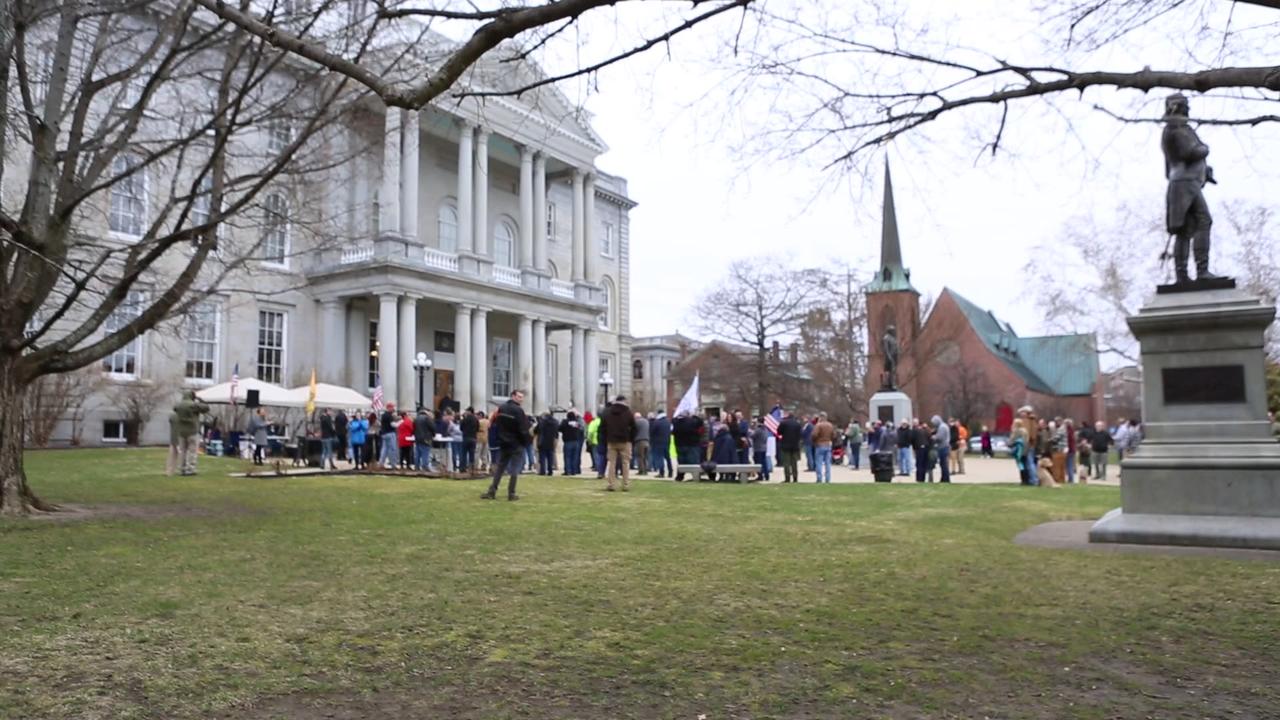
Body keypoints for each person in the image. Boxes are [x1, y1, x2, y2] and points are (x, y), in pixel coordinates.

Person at [482, 389, 531, 501]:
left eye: (522, 397)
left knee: (500, 467)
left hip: (504, 442)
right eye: (519, 397)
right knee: (514, 469)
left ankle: (492, 491)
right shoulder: (519, 411)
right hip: (516, 443)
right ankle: (511, 493)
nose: (521, 399)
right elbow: (523, 429)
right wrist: (526, 441)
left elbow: (495, 423)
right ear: (513, 396)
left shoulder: (501, 408)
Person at [600, 396, 637, 491]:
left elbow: (602, 428)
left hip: (611, 441)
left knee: (612, 463)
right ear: (624, 401)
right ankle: (625, 484)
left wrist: (606, 439)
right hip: (625, 441)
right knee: (626, 463)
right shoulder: (628, 412)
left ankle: (611, 484)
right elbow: (634, 427)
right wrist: (631, 439)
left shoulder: (607, 412)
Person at [171, 390, 209, 476]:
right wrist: (201, 400)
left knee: (183, 451)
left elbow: (175, 408)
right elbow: (206, 408)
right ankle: (190, 469)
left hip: (181, 431)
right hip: (192, 430)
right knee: (192, 451)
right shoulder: (193, 405)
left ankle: (182, 469)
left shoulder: (178, 405)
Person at [672, 411, 705, 482]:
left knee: (681, 462)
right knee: (694, 462)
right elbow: (700, 422)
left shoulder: (676, 423)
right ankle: (696, 476)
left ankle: (680, 476)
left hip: (679, 445)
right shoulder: (692, 422)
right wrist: (695, 416)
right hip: (692, 445)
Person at [776, 411, 803, 483]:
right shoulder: (798, 424)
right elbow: (800, 434)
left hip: (785, 445)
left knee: (786, 463)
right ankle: (795, 478)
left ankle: (787, 478)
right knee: (794, 463)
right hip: (795, 446)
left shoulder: (784, 423)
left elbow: (779, 432)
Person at [810, 412, 834, 483]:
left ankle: (819, 478)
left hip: (820, 444)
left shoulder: (818, 425)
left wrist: (814, 441)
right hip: (828, 444)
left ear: (820, 417)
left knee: (819, 463)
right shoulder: (830, 425)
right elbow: (833, 435)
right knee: (828, 463)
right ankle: (828, 478)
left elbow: (814, 435)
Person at [559, 410, 584, 475]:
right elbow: (580, 429)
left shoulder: (565, 422)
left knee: (567, 457)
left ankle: (568, 471)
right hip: (576, 441)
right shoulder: (576, 423)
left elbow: (560, 428)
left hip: (568, 441)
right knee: (574, 457)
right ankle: (573, 470)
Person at [535, 411, 559, 476]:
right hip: (551, 441)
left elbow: (535, 431)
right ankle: (550, 470)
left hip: (542, 442)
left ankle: (542, 471)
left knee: (542, 458)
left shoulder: (541, 423)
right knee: (550, 457)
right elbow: (557, 433)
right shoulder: (555, 422)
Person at [650, 410, 672, 478]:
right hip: (667, 441)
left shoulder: (657, 422)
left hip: (658, 442)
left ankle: (662, 472)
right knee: (668, 457)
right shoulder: (668, 422)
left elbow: (652, 431)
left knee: (660, 457)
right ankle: (670, 472)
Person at [932, 415, 951, 483]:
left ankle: (946, 479)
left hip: (943, 447)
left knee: (944, 464)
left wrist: (933, 437)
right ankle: (944, 478)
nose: (934, 424)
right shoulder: (943, 426)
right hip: (944, 446)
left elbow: (940, 438)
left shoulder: (942, 427)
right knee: (943, 464)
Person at [378, 402, 398, 469]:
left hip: (384, 434)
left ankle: (381, 463)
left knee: (384, 449)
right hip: (390, 433)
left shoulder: (383, 415)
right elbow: (393, 425)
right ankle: (393, 464)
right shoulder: (389, 415)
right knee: (392, 449)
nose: (393, 409)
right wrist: (400, 423)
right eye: (392, 407)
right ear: (389, 408)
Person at [460, 407, 479, 473]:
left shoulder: (465, 419)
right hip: (473, 438)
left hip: (466, 437)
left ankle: (463, 468)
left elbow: (461, 428)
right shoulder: (476, 419)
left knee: (463, 453)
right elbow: (477, 429)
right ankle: (472, 468)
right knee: (472, 454)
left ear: (469, 411)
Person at [911, 419, 931, 483]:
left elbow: (912, 440)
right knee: (924, 464)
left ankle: (919, 479)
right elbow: (929, 438)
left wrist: (914, 448)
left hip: (919, 448)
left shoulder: (914, 431)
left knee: (919, 464)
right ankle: (923, 478)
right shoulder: (925, 430)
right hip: (926, 447)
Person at [1049, 420, 1067, 485]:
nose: (1056, 424)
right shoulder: (1064, 429)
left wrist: (1049, 440)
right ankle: (1062, 479)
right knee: (1062, 466)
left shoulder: (1061, 429)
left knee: (1057, 466)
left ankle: (1057, 480)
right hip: (1063, 450)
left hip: (1058, 450)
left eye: (1056, 422)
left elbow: (1056, 439)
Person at [166, 411, 182, 477]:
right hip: (180, 438)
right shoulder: (182, 417)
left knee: (172, 456)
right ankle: (181, 470)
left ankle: (169, 471)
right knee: (180, 455)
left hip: (173, 438)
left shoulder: (172, 416)